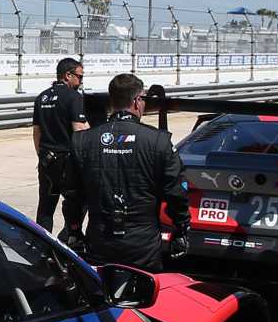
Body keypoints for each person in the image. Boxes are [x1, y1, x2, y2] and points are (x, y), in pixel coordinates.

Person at [62, 71, 189, 271]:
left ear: (111, 101)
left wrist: (74, 230)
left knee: (101, 288)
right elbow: (176, 192)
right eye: (144, 99)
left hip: (100, 239)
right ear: (137, 101)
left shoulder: (83, 140)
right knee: (144, 288)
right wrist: (181, 228)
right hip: (143, 244)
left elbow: (72, 194)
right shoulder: (158, 141)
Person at [31, 57, 88, 239]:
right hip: (67, 162)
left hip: (47, 161)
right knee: (78, 202)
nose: (81, 81)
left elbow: (36, 133)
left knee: (45, 208)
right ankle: (68, 239)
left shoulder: (41, 97)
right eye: (79, 77)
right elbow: (79, 129)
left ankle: (42, 244)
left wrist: (41, 156)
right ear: (67, 75)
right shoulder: (74, 97)